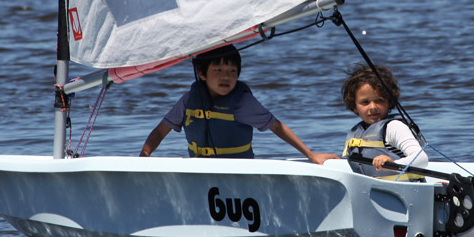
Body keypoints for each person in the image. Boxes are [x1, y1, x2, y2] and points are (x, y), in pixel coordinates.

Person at [139, 44, 339, 164]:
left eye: (232, 71)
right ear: (201, 73)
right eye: (217, 70)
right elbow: (160, 131)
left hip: (238, 171)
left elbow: (277, 127)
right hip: (199, 170)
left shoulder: (243, 103)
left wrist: (310, 154)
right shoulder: (187, 100)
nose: (226, 77)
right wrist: (145, 154)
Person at [340, 63, 428, 181]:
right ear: (354, 107)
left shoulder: (393, 127)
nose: (373, 107)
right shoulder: (356, 132)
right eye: (365, 102)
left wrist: (394, 164)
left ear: (389, 102)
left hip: (406, 191)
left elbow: (421, 159)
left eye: (379, 100)